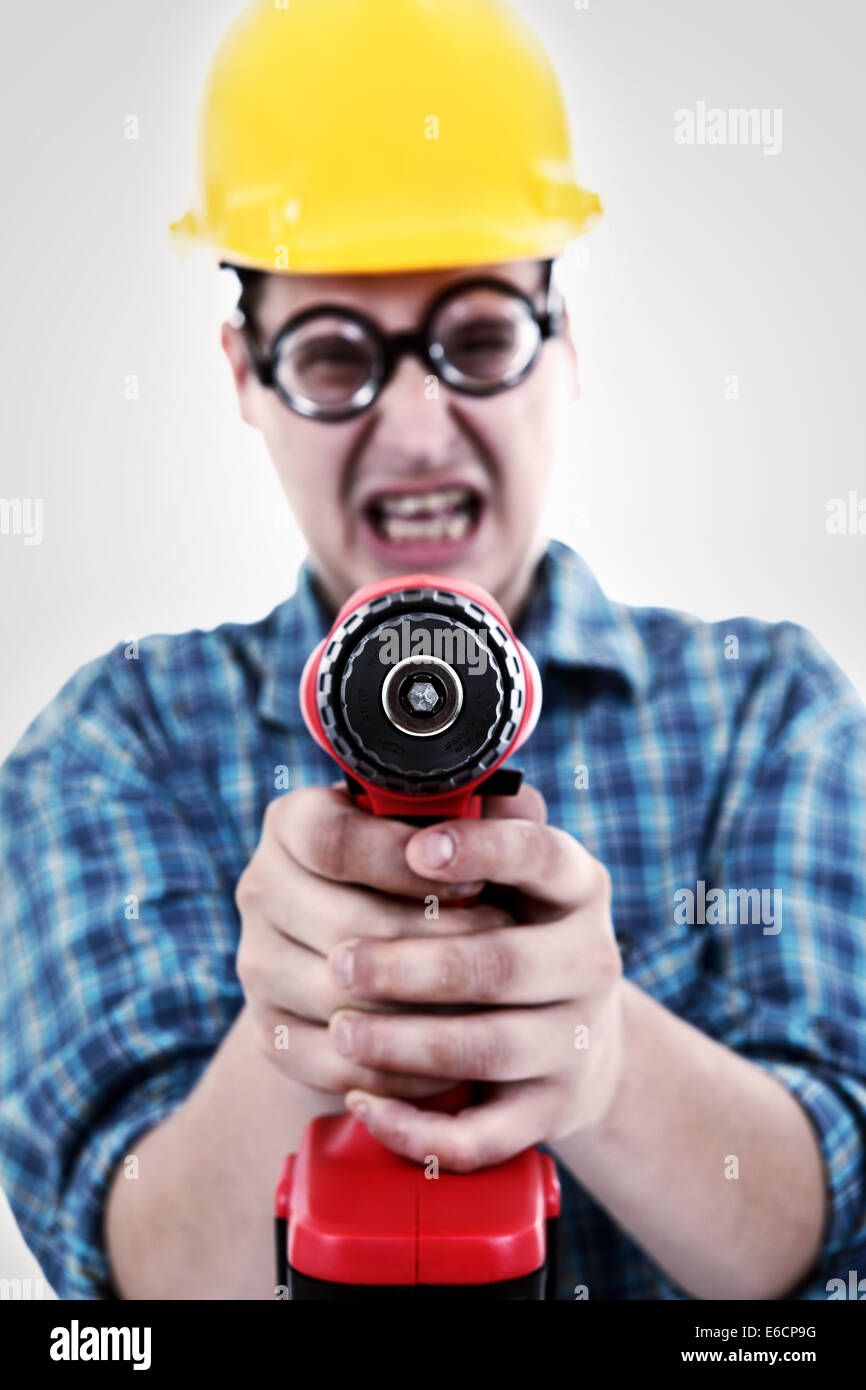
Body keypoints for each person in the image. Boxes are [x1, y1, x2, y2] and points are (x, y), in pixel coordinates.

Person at [1, 0, 865, 1302]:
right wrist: (300, 1028)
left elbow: (821, 1224)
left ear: (560, 345)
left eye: (474, 338)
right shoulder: (114, 742)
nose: (414, 427)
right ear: (244, 370)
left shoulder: (766, 711)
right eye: (336, 355)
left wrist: (604, 1061)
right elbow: (135, 1284)